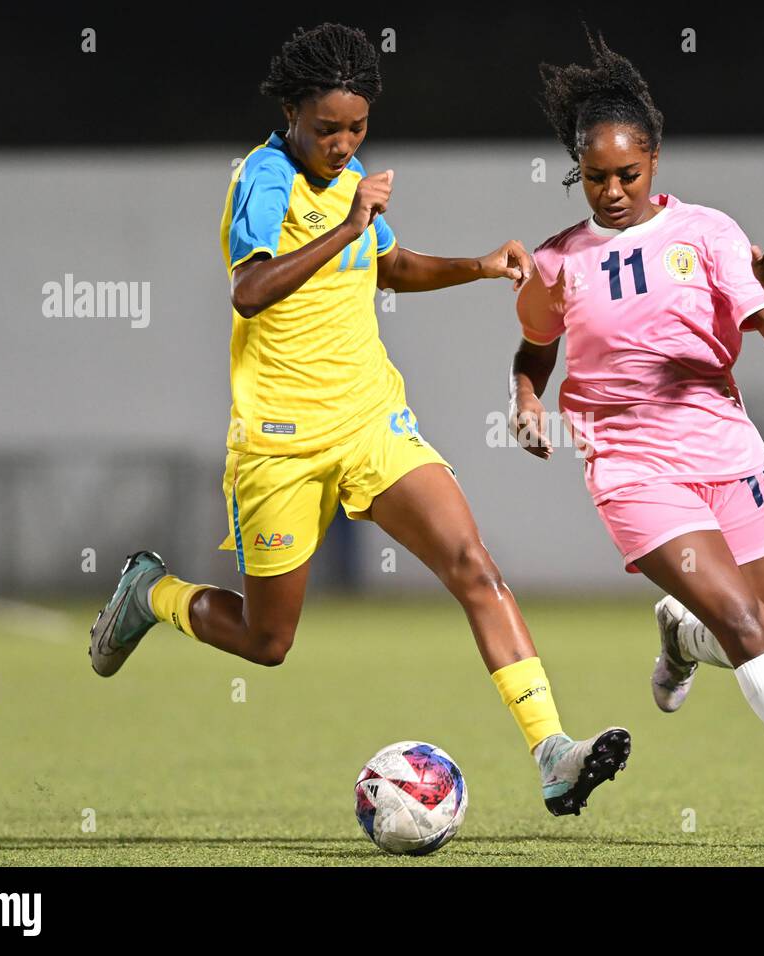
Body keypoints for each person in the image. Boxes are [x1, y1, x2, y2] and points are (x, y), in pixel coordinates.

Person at [89, 22, 630, 818]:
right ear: (291, 112)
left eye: (358, 129)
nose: (344, 145)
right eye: (328, 128)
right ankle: (152, 594)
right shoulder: (263, 180)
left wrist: (478, 266)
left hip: (372, 421)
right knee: (267, 642)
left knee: (473, 565)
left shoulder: (350, 183)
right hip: (279, 445)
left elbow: (387, 264)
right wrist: (346, 225)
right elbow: (251, 289)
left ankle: (552, 751)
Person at [509, 28, 764, 846]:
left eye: (627, 174)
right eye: (595, 176)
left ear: (654, 161)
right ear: (575, 169)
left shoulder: (711, 235)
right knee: (753, 636)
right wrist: (524, 399)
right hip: (632, 469)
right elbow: (535, 347)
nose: (611, 191)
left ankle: (679, 638)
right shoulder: (557, 263)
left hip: (727, 453)